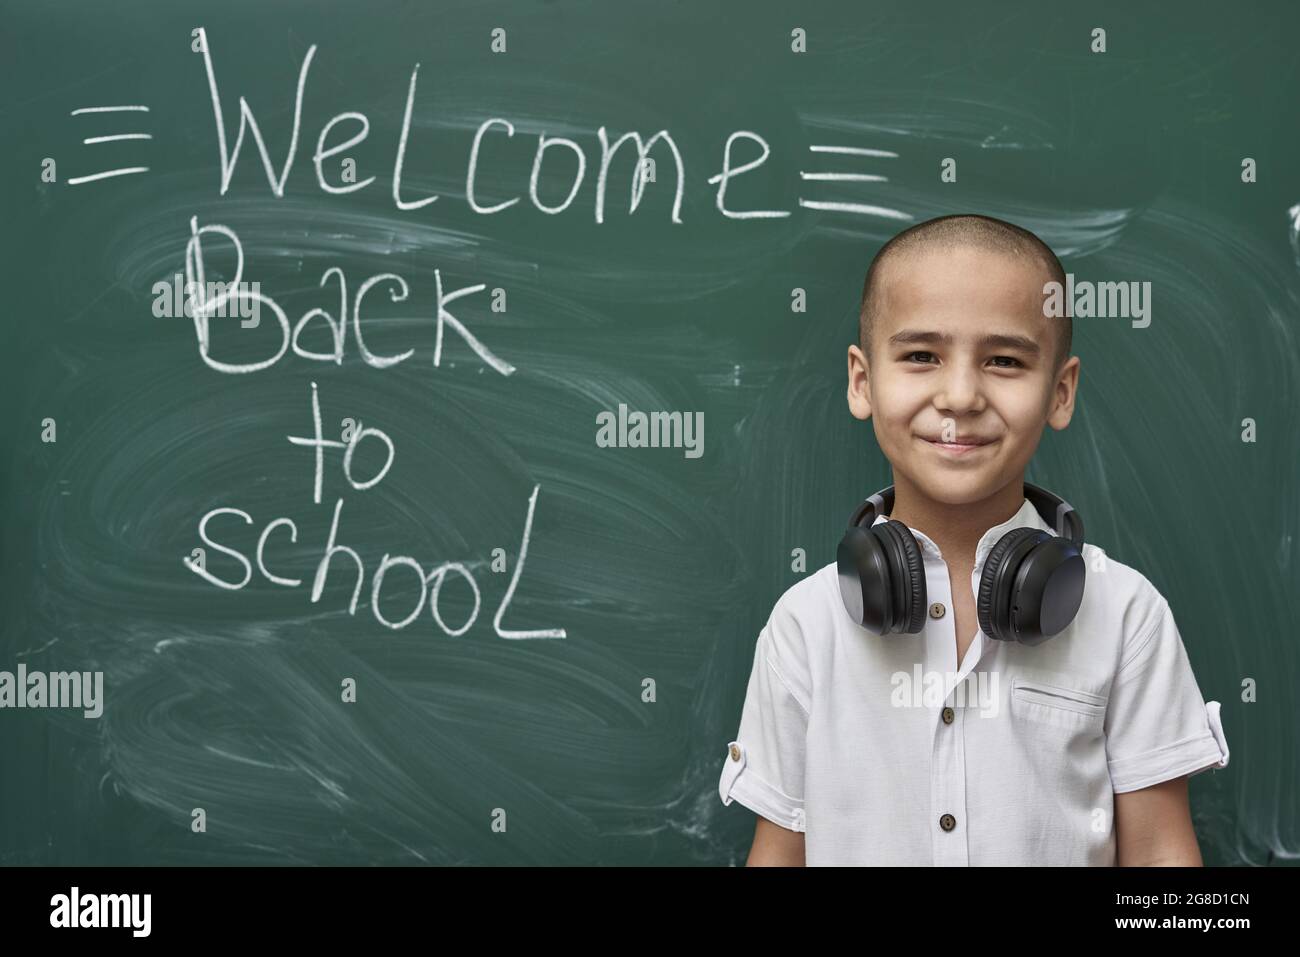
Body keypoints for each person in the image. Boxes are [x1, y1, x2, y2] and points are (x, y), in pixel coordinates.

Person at [718, 214, 1229, 866]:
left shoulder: (1126, 614)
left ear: (1061, 391)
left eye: (1005, 360)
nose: (960, 395)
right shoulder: (804, 627)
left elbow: (1162, 857)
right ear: (861, 380)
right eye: (921, 355)